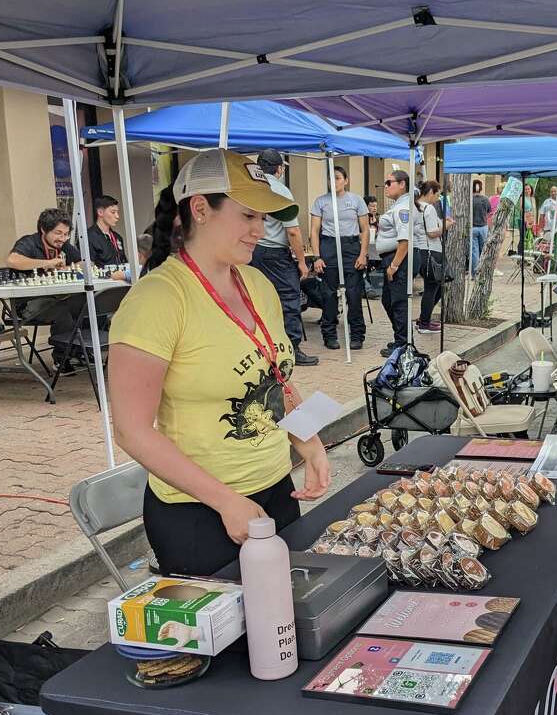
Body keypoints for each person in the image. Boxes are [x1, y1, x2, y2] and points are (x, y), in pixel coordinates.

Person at [107, 148, 331, 577]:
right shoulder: (158, 299)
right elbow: (131, 430)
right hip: (199, 511)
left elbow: (275, 380)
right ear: (200, 209)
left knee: (287, 630)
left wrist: (309, 443)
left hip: (274, 490)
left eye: (264, 218)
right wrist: (225, 500)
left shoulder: (257, 282)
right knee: (236, 643)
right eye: (248, 215)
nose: (259, 230)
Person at [248, 150, 317, 367]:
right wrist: (301, 261)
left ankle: (260, 347)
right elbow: (293, 231)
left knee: (255, 300)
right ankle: (291, 349)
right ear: (279, 169)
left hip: (251, 251)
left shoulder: (250, 187)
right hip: (275, 255)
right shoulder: (279, 190)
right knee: (288, 299)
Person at [6, 207, 86, 369]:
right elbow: (13, 260)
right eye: (58, 233)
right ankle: (62, 357)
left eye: (66, 234)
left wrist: (68, 269)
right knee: (63, 310)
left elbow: (85, 264)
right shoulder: (29, 242)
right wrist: (46, 263)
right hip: (28, 304)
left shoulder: (63, 246)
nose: (62, 238)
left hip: (54, 297)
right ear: (44, 229)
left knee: (84, 303)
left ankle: (78, 350)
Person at [311, 166, 370, 351]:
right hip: (328, 246)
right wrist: (317, 257)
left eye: (337, 178)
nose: (333, 182)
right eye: (330, 178)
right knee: (328, 294)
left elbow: (365, 229)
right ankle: (329, 334)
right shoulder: (321, 201)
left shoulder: (356, 200)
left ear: (346, 180)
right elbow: (314, 230)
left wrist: (362, 254)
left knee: (353, 293)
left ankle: (357, 335)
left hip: (351, 247)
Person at [376, 170, 424, 356]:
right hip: (395, 258)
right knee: (388, 300)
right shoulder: (399, 205)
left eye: (389, 182)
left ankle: (403, 345)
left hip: (400, 258)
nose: (386, 186)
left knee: (398, 302)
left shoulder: (403, 208)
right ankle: (401, 339)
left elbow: (404, 241)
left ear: (402, 184)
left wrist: (394, 265)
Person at [415, 180, 449, 335]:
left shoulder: (416, 206)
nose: (438, 198)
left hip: (420, 251)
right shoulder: (428, 208)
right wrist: (446, 226)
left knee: (433, 287)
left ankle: (424, 319)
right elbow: (432, 232)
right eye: (437, 194)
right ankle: (424, 322)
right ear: (430, 192)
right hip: (431, 251)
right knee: (433, 288)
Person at [86, 195, 129, 277]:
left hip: (121, 281)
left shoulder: (117, 237)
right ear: (100, 212)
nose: (117, 216)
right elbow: (89, 266)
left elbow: (124, 262)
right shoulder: (89, 237)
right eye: (113, 212)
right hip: (102, 283)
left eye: (117, 212)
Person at [470, 180, 489, 276]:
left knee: (474, 252)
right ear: (480, 188)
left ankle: (475, 273)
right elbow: (489, 210)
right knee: (484, 250)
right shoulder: (485, 199)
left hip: (472, 227)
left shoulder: (469, 199)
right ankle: (484, 272)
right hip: (483, 227)